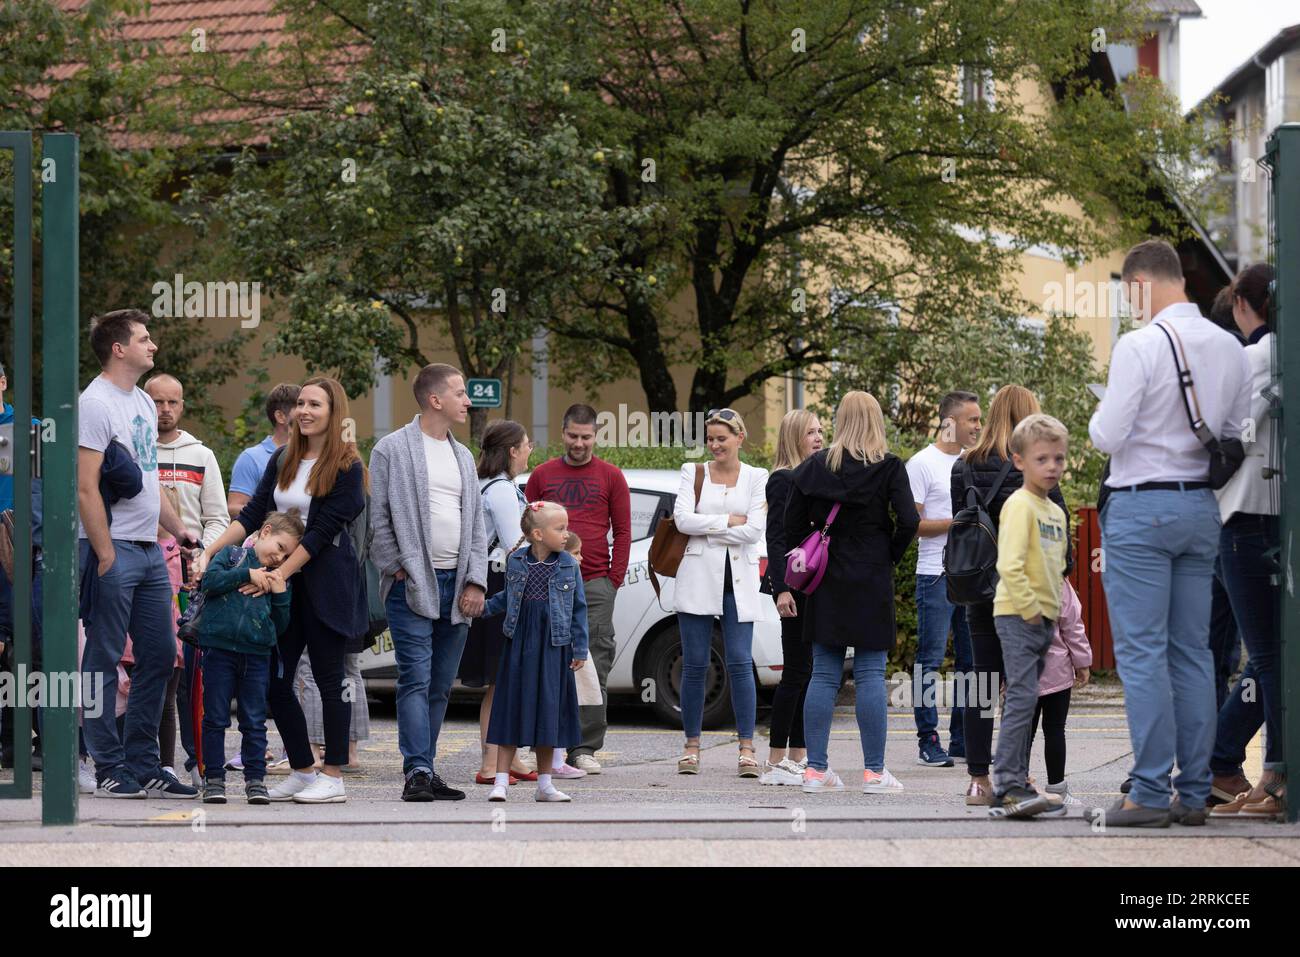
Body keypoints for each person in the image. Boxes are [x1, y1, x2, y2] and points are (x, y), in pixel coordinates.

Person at [1088, 239, 1251, 828]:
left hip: (1140, 508)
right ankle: (1195, 790)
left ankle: (1149, 793)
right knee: (1193, 653)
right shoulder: (1230, 347)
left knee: (1141, 654)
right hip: (1200, 509)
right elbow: (1234, 434)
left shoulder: (1139, 345)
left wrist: (1096, 414)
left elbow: (1108, 435)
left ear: (1140, 285)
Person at [195, 377, 369, 804]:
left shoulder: (348, 467)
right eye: (301, 404)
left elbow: (322, 532)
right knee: (276, 681)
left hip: (325, 584)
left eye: (315, 404)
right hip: (280, 585)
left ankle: (333, 776)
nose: (304, 411)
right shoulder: (282, 458)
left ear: (334, 412)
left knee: (330, 681)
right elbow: (253, 514)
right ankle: (303, 770)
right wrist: (208, 551)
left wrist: (279, 575)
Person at [77, 309, 201, 798]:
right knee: (103, 659)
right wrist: (105, 553)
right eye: (145, 339)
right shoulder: (95, 403)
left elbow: (149, 484)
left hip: (151, 548)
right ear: (118, 348)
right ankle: (107, 765)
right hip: (113, 550)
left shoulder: (144, 405)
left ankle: (144, 761)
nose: (154, 345)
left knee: (158, 656)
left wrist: (182, 532)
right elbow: (86, 487)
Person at [786, 391, 919, 794]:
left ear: (840, 420)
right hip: (872, 577)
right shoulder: (890, 467)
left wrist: (817, 540)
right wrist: (888, 555)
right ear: (877, 421)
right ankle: (875, 773)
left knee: (823, 674)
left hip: (826, 578)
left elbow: (790, 523)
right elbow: (909, 520)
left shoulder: (815, 467)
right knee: (871, 675)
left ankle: (815, 771)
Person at [369, 363, 488, 802]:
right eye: (460, 393)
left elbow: (476, 525)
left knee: (440, 684)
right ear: (436, 400)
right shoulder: (392, 449)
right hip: (410, 583)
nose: (467, 400)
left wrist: (475, 581)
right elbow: (378, 518)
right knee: (415, 679)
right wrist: (396, 565)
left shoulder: (463, 456)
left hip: (457, 585)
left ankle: (428, 767)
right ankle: (416, 769)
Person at [950, 384, 1071, 807]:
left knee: (981, 682)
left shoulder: (964, 465)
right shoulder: (1031, 470)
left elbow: (961, 525)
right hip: (1024, 596)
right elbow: (1062, 540)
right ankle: (1014, 774)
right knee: (1023, 690)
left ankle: (978, 780)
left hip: (979, 588)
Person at [1210, 263, 1286, 820]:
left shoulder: (1256, 357)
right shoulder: (1283, 353)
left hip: (1243, 518)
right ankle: (1248, 766)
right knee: (1270, 658)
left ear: (1241, 304)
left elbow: (1229, 433)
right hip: (1274, 516)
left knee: (1266, 658)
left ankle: (1266, 773)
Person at [525, 404, 631, 774]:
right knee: (541, 661)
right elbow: (529, 528)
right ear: (563, 432)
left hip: (595, 583)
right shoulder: (541, 474)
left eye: (586, 437)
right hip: (547, 583)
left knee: (591, 665)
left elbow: (623, 530)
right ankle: (541, 744)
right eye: (573, 436)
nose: (579, 443)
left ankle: (583, 747)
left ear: (596, 436)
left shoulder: (611, 476)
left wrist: (612, 580)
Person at [670, 408, 769, 777]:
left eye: (721, 438)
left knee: (742, 663)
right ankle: (691, 747)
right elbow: (682, 520)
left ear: (740, 438)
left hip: (738, 581)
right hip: (696, 576)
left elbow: (755, 531)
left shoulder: (757, 477)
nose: (714, 445)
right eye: (710, 438)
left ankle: (746, 748)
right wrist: (729, 521)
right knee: (694, 664)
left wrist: (707, 527)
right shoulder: (691, 472)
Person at [145, 372, 230, 786]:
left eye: (172, 402)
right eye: (156, 402)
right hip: (143, 569)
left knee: (191, 676)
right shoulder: (131, 449)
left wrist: (204, 555)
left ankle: (198, 762)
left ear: (183, 405)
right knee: (152, 668)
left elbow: (218, 517)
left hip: (191, 580)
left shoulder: (202, 455)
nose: (164, 410)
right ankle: (153, 761)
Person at [988, 414, 1071, 820]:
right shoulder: (1019, 505)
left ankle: (1018, 782)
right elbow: (1010, 565)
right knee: (1021, 699)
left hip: (1043, 619)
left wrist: (1051, 616)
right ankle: (1006, 784)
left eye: (1058, 458)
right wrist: (1033, 612)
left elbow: (1056, 569)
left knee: (1027, 699)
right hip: (1019, 615)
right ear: (1019, 461)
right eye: (1042, 459)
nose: (1052, 466)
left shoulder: (1054, 511)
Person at [482, 501, 589, 803]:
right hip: (519, 643)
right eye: (560, 528)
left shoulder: (569, 564)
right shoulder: (516, 560)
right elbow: (508, 596)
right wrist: (484, 607)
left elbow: (579, 609)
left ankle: (545, 784)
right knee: (511, 708)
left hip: (554, 646)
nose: (567, 534)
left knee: (548, 711)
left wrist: (579, 647)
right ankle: (501, 781)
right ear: (538, 534)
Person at [197, 509, 305, 804]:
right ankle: (214, 780)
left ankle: (255, 780)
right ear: (265, 532)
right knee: (216, 718)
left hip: (257, 655)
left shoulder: (279, 578)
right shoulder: (232, 556)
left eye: (286, 556)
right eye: (280, 548)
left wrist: (281, 594)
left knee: (254, 721)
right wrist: (246, 574)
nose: (280, 559)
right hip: (219, 650)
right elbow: (210, 582)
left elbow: (280, 625)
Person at [460, 419, 543, 784]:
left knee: (505, 679)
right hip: (503, 584)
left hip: (493, 581)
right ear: (512, 450)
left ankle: (509, 758)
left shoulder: (486, 485)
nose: (529, 451)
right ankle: (492, 763)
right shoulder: (502, 490)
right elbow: (517, 546)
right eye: (526, 445)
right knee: (502, 679)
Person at [906, 390, 981, 767]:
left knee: (971, 662)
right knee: (930, 660)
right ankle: (927, 739)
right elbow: (912, 525)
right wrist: (957, 523)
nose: (979, 427)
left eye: (980, 420)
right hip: (934, 575)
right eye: (972, 420)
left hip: (971, 577)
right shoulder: (921, 464)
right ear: (950, 421)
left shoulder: (975, 462)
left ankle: (962, 740)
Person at [759, 409, 823, 785]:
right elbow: (776, 538)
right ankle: (775, 757)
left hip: (810, 582)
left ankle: (798, 755)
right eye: (810, 432)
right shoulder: (783, 479)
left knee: (807, 671)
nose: (818, 437)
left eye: (820, 431)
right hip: (792, 584)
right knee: (795, 672)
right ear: (793, 438)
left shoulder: (812, 475)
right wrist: (782, 587)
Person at [1023, 576, 1091, 808]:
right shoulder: (1059, 583)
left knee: (1024, 732)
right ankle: (1057, 787)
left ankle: (1019, 783)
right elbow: (1073, 626)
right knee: (1054, 730)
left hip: (1023, 671)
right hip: (1057, 670)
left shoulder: (1013, 578)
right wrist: (1082, 662)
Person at [227, 383, 301, 520]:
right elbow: (233, 508)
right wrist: (278, 515)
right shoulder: (251, 457)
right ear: (280, 416)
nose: (305, 412)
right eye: (300, 406)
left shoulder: (312, 454)